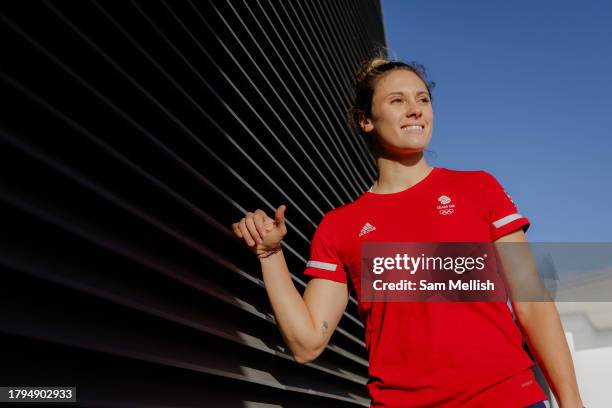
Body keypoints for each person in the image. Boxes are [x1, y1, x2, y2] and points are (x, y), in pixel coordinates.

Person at [231, 56, 584, 408]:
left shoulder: (479, 189)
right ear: (365, 120)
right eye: (397, 100)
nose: (415, 110)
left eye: (423, 99)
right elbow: (307, 343)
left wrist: (572, 402)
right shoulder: (340, 227)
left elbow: (533, 304)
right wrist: (270, 256)